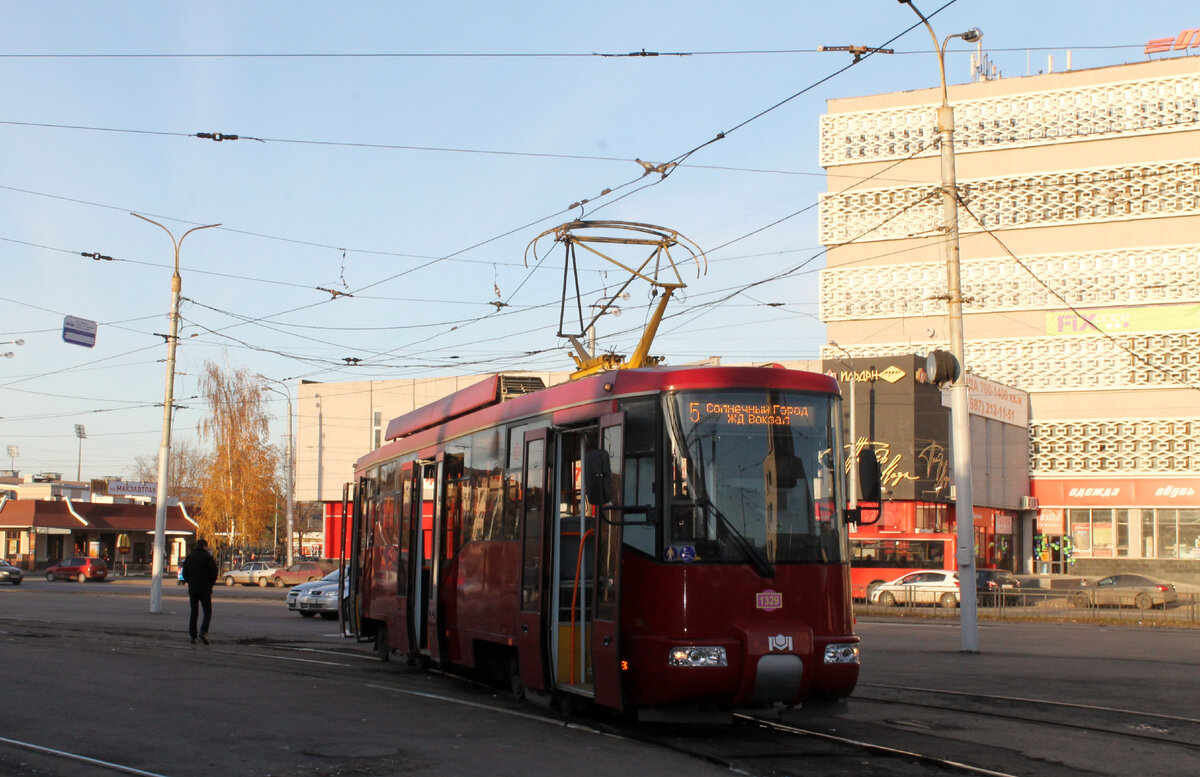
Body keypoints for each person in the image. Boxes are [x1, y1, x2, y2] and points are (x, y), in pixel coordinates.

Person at [181, 539, 218, 644]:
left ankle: (193, 636)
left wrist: (190, 582)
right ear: (204, 546)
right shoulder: (208, 557)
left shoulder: (189, 557)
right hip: (205, 589)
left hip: (193, 589)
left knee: (194, 612)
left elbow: (185, 573)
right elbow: (214, 572)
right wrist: (211, 583)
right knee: (207, 612)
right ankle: (203, 632)